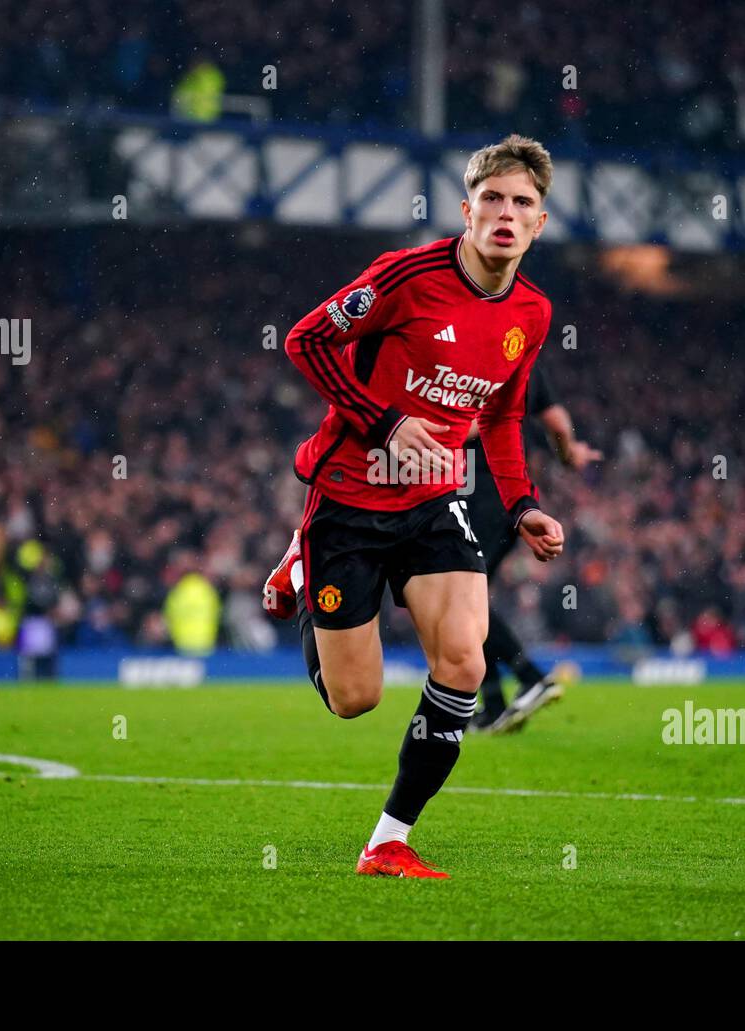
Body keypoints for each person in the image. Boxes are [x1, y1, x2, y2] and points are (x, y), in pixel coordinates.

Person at [263, 135, 565, 877]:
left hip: (437, 503)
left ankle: (387, 839)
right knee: (354, 698)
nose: (505, 212)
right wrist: (385, 423)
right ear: (467, 211)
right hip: (348, 501)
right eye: (492, 198)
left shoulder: (532, 310)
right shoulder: (407, 277)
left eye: (521, 202)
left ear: (539, 224)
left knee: (463, 660)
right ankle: (304, 567)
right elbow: (306, 341)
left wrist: (522, 502)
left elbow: (499, 416)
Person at [464, 363, 601, 733]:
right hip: (517, 499)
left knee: (461, 599)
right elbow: (556, 422)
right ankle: (493, 705)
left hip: (480, 497)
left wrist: (423, 434)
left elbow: (478, 421)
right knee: (468, 603)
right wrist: (568, 454)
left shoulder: (471, 355)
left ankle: (531, 678)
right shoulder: (524, 362)